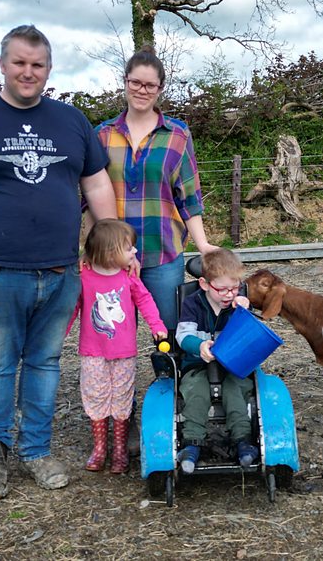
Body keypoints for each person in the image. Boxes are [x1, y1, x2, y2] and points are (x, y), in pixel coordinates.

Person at [0, 25, 117, 504]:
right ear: (3, 65)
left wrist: (109, 245)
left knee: (45, 363)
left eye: (37, 65)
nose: (28, 72)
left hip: (59, 271)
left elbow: (95, 185)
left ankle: (36, 449)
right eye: (19, 63)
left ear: (48, 70)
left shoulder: (72, 122)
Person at [95, 46, 221, 335]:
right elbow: (90, 198)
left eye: (150, 85)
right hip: (113, 255)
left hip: (163, 253)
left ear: (160, 89)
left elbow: (189, 196)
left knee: (171, 333)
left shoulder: (177, 135)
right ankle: (119, 383)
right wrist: (91, 249)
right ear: (125, 82)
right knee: (114, 335)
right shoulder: (101, 135)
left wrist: (203, 245)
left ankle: (170, 379)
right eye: (135, 82)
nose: (142, 90)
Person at [69, 219, 169, 474]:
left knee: (122, 398)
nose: (135, 252)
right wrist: (61, 332)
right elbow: (72, 307)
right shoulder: (85, 277)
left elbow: (145, 300)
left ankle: (120, 449)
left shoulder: (129, 277)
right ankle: (100, 447)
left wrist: (156, 325)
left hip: (124, 352)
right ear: (110, 251)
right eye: (129, 248)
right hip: (93, 351)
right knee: (95, 395)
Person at [173, 247, 257, 473]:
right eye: (222, 289)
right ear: (204, 284)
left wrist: (245, 313)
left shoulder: (237, 306)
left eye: (235, 287)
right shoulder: (192, 304)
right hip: (197, 364)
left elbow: (251, 337)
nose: (229, 294)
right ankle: (192, 443)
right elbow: (183, 335)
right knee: (196, 391)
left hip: (233, 367)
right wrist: (199, 346)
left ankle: (243, 440)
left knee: (235, 391)